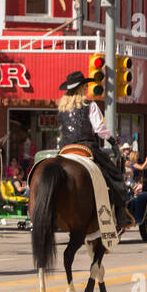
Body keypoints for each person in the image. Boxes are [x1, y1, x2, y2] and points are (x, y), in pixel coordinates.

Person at [56, 70, 134, 227]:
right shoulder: (89, 105)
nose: (86, 89)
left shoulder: (62, 108)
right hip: (86, 146)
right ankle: (121, 214)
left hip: (65, 148)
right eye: (85, 86)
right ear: (82, 88)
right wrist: (113, 141)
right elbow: (99, 129)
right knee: (115, 175)